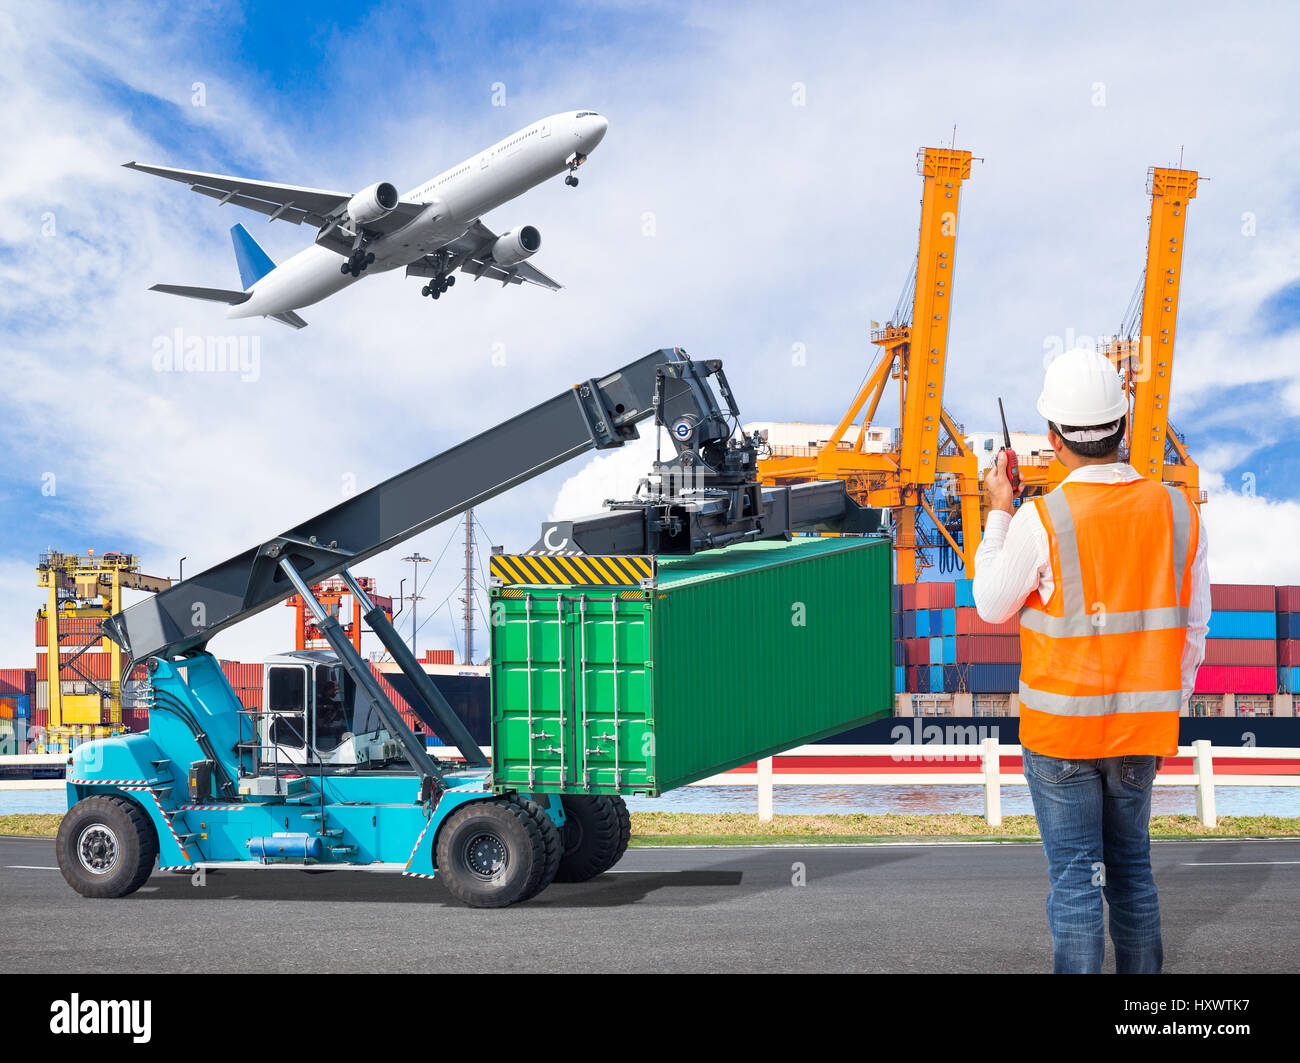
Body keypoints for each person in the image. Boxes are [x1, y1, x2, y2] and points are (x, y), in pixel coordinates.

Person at [972, 348, 1209, 974]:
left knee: (1076, 881)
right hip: (1140, 736)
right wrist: (1168, 710)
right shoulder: (1180, 512)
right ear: (1124, 424)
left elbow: (992, 604)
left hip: (1062, 739)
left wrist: (998, 509)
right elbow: (1194, 629)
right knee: (1133, 873)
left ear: (1052, 438)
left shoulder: (1039, 519)